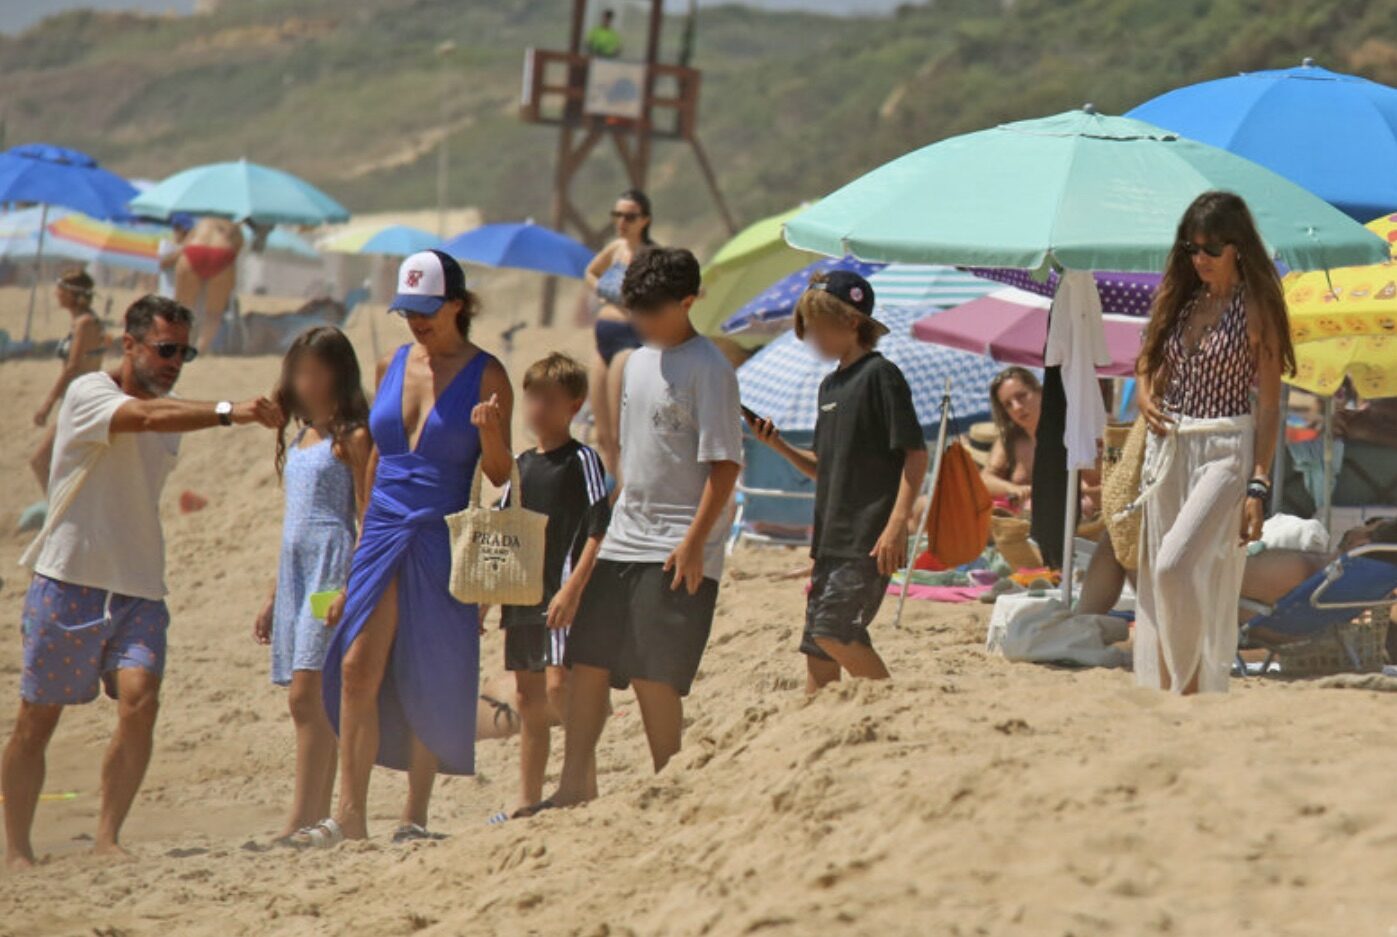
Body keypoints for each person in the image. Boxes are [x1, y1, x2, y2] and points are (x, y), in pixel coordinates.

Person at [2, 295, 280, 869]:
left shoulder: (170, 414)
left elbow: (155, 420)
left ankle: (107, 837)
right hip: (70, 581)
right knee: (36, 721)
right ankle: (17, 849)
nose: (175, 362)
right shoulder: (89, 392)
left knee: (141, 702)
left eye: (185, 353)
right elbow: (145, 418)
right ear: (128, 345)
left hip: (140, 587)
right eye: (165, 349)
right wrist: (232, 411)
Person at [529, 247, 742, 813]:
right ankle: (575, 785)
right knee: (588, 663)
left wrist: (694, 543)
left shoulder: (711, 369)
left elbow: (725, 467)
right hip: (624, 535)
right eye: (635, 310)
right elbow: (629, 463)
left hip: (678, 544)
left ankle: (669, 782)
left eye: (651, 310)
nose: (641, 320)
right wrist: (597, 542)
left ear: (688, 301)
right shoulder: (635, 363)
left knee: (654, 673)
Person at [313, 250, 513, 846]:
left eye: (427, 310)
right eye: (408, 311)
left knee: (433, 671)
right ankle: (349, 814)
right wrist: (362, 538)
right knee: (356, 666)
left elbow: (499, 475)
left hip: (441, 531)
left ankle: (414, 816)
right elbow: (377, 456)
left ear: (458, 305)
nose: (417, 322)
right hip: (382, 529)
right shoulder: (392, 363)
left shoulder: (488, 373)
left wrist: (490, 433)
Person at [1134, 191, 1294, 695]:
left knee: (1174, 565)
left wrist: (1258, 482)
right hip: (1169, 448)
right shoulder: (1182, 298)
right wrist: (1144, 394)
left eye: (1210, 248)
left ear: (1237, 247)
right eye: (1191, 248)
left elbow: (1269, 406)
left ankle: (1191, 685)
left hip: (1226, 447)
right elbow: (1147, 356)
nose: (1199, 258)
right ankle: (1173, 693)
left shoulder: (1257, 308)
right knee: (1162, 578)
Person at [749, 272, 929, 691]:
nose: (811, 339)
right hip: (830, 541)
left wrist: (897, 524)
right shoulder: (829, 385)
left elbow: (915, 454)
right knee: (817, 652)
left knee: (836, 632)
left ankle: (894, 705)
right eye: (807, 330)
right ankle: (823, 724)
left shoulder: (881, 375)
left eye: (817, 328)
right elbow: (824, 468)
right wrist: (778, 446)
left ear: (851, 322)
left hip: (868, 538)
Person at [252, 327, 372, 843]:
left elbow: (367, 515)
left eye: (315, 371)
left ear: (338, 374)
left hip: (331, 567)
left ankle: (300, 817)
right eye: (298, 371)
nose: (304, 381)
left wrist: (353, 584)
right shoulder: (301, 437)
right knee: (308, 697)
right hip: (296, 573)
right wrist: (272, 596)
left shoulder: (354, 438)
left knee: (308, 695)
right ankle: (312, 815)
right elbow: (291, 523)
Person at [499, 352, 610, 816]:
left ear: (574, 405)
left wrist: (574, 588)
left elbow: (600, 527)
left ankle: (582, 782)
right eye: (533, 398)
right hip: (521, 593)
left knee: (560, 687)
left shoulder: (582, 459)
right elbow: (502, 530)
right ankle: (527, 798)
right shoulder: (520, 464)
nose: (538, 408)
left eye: (549, 399)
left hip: (561, 591)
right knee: (528, 699)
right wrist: (486, 600)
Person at [584, 189, 654, 479]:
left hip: (629, 339)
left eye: (629, 216)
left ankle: (624, 489)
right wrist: (603, 290)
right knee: (602, 436)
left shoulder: (651, 255)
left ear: (645, 220)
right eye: (617, 215)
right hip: (604, 340)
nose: (621, 222)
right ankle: (608, 493)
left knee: (618, 431)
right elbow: (590, 272)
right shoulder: (615, 249)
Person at [30, 269, 106, 490]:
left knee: (40, 461)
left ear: (74, 295)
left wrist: (47, 404)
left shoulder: (85, 324)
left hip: (81, 399)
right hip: (79, 398)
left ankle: (60, 508)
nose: (56, 294)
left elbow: (72, 367)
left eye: (61, 290)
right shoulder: (84, 321)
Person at [175, 216, 244, 356]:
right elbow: (236, 250)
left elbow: (184, 245)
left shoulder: (204, 220)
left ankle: (181, 343)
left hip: (195, 249)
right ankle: (200, 349)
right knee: (214, 312)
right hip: (222, 253)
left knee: (184, 305)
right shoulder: (234, 225)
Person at [981, 366, 1041, 508]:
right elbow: (984, 479)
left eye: (1021, 396)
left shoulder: (1069, 435)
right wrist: (1013, 489)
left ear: (1040, 392)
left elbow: (1090, 485)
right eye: (1008, 404)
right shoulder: (1010, 440)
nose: (1017, 407)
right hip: (1020, 519)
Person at [156, 214, 193, 300]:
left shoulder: (190, 248)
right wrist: (185, 248)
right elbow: (163, 263)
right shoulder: (166, 244)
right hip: (167, 297)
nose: (187, 234)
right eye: (186, 231)